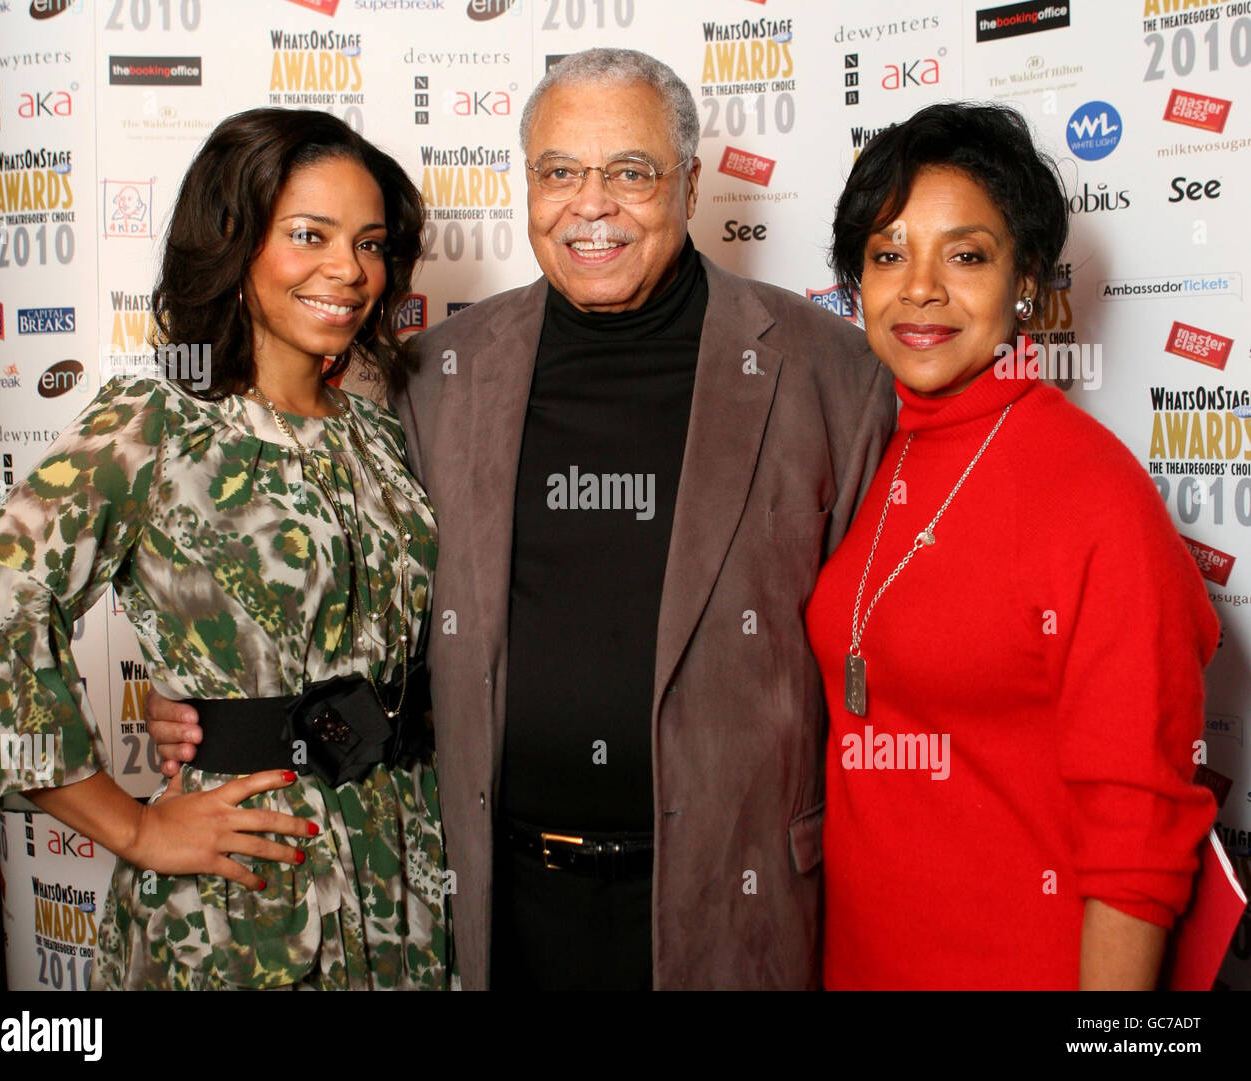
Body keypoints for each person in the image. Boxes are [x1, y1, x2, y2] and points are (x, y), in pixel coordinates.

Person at [150, 49, 896, 990]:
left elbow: (884, 647)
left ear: (692, 182)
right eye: (559, 172)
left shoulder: (828, 371)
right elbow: (368, 607)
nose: (592, 204)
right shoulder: (436, 374)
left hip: (730, 906)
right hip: (498, 909)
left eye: (630, 171)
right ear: (527, 184)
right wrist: (225, 718)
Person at [0, 107, 453, 990]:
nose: (349, 270)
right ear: (233, 243)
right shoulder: (157, 421)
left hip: (405, 870)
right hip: (246, 894)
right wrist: (135, 827)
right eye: (309, 235)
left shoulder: (379, 432)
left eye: (370, 243)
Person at [806, 101, 1218, 990]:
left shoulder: (1096, 496)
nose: (919, 287)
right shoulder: (884, 452)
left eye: (965, 254)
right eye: (887, 255)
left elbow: (1138, 837)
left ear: (1025, 280)